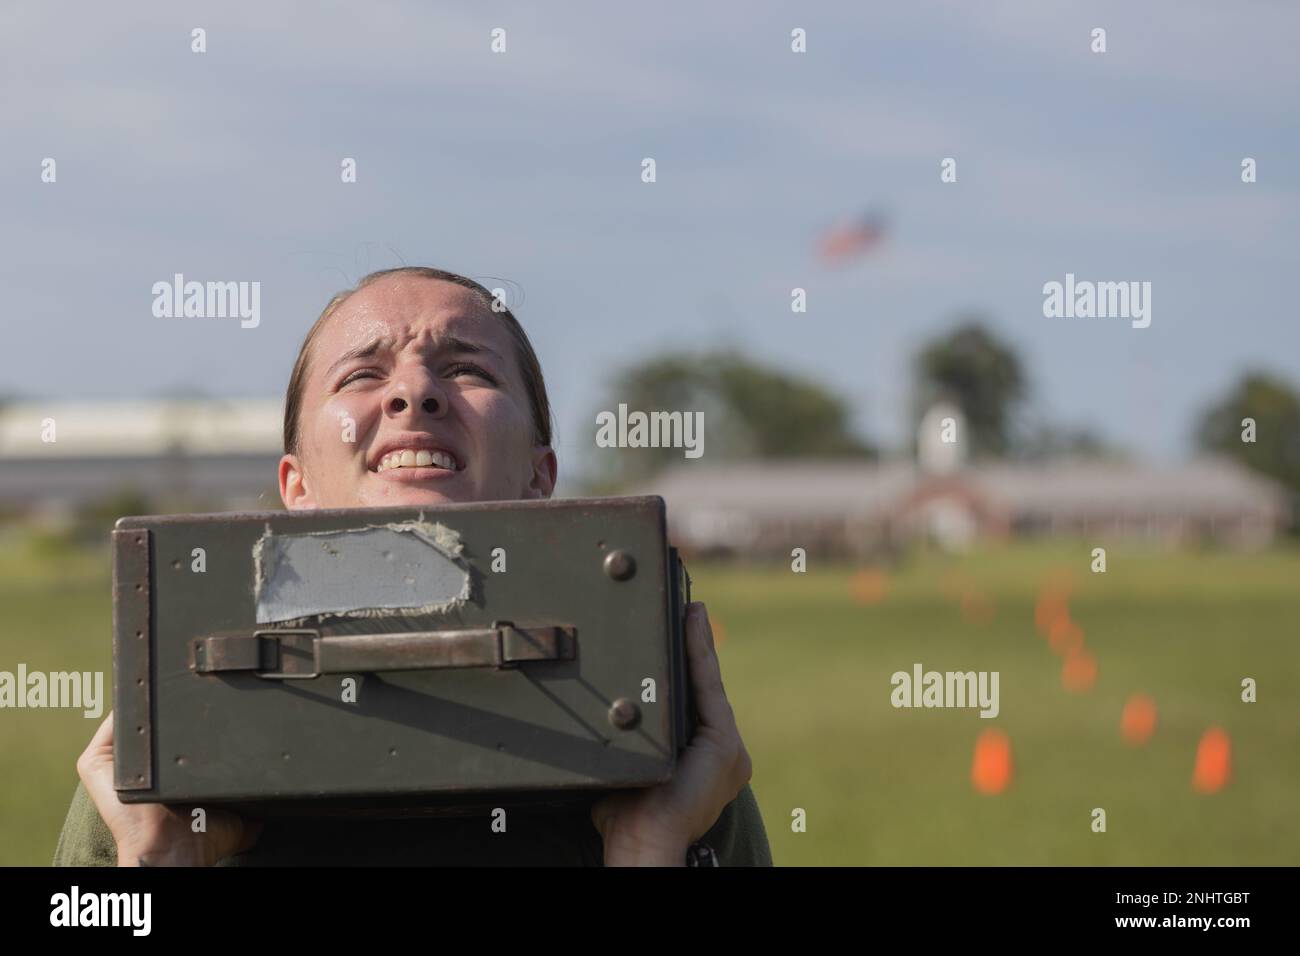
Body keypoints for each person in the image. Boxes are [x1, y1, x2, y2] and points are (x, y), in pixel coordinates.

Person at [53, 266, 773, 866]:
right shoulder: (166, 760)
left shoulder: (666, 748)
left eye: (467, 369)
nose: (415, 392)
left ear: (540, 475)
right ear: (296, 487)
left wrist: (651, 847)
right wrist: (156, 860)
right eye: (362, 374)